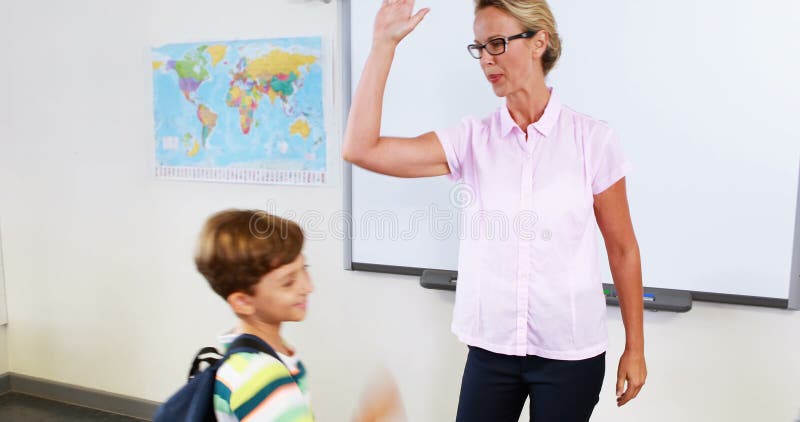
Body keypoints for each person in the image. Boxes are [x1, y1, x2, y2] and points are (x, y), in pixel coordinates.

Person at [342, 0, 647, 421]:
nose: (486, 59)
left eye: (498, 43)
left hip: (570, 352)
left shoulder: (592, 140)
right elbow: (360, 149)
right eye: (480, 47)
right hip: (492, 351)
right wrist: (382, 46)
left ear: (539, 42)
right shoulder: (472, 140)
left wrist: (636, 347)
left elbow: (623, 249)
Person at [194, 209, 404, 421]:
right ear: (243, 302)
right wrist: (370, 417)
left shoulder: (242, 351)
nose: (308, 287)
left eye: (304, 268)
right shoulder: (262, 378)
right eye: (288, 282)